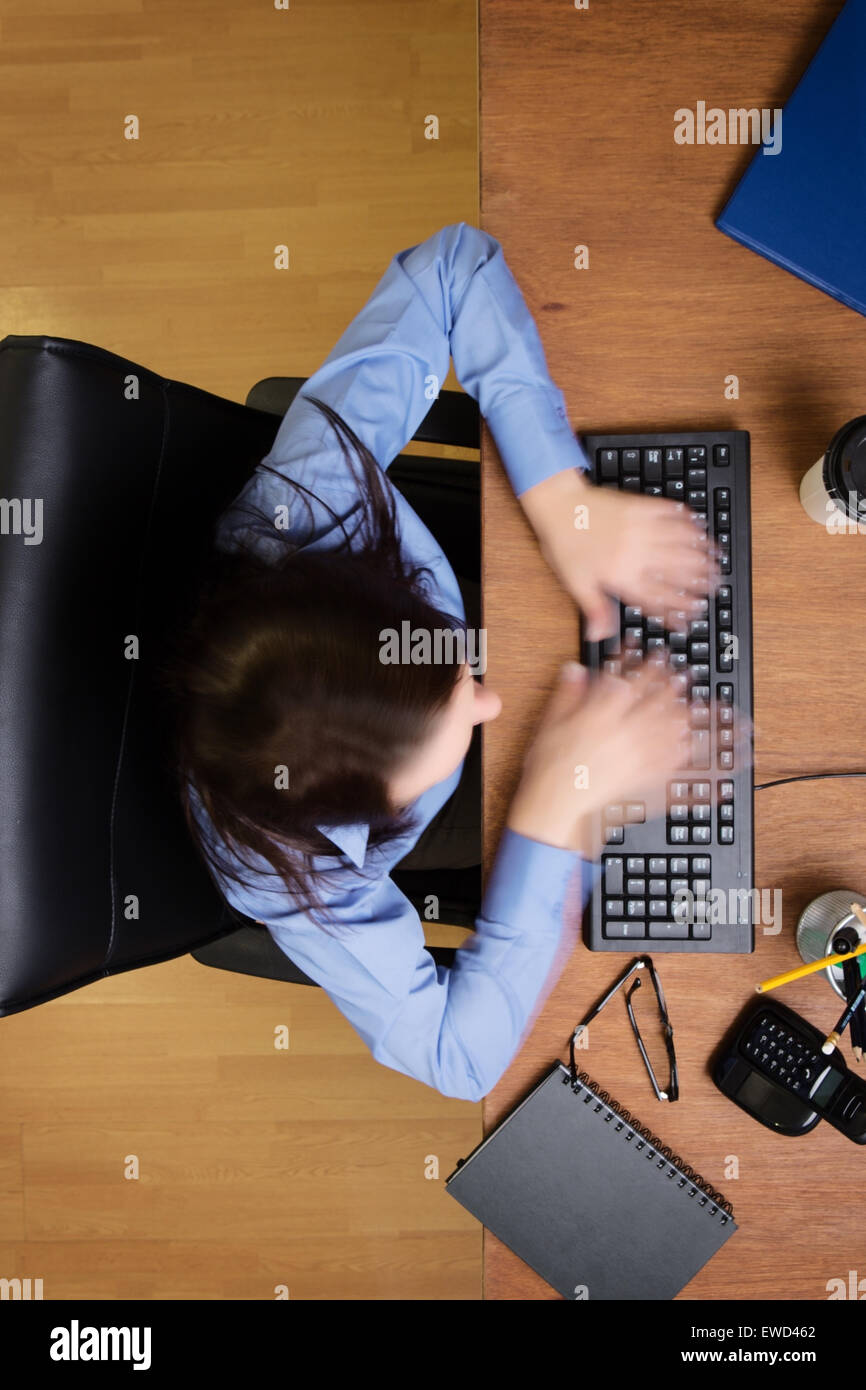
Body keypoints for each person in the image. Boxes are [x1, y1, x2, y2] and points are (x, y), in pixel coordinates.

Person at [159, 223, 717, 1103]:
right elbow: (457, 1061)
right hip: (454, 818)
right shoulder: (288, 872)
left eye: (453, 674)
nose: (493, 704)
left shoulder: (307, 501)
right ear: (374, 815)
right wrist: (548, 816)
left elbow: (452, 265)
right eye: (459, 720)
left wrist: (561, 498)